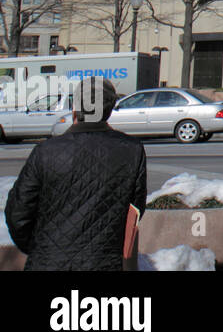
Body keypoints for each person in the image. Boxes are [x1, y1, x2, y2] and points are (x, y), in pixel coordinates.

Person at [4, 77, 146, 271]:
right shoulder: (132, 151)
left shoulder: (46, 151)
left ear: (75, 108)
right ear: (109, 110)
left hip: (47, 263)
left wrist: (41, 248)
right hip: (103, 263)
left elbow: (18, 213)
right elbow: (135, 212)